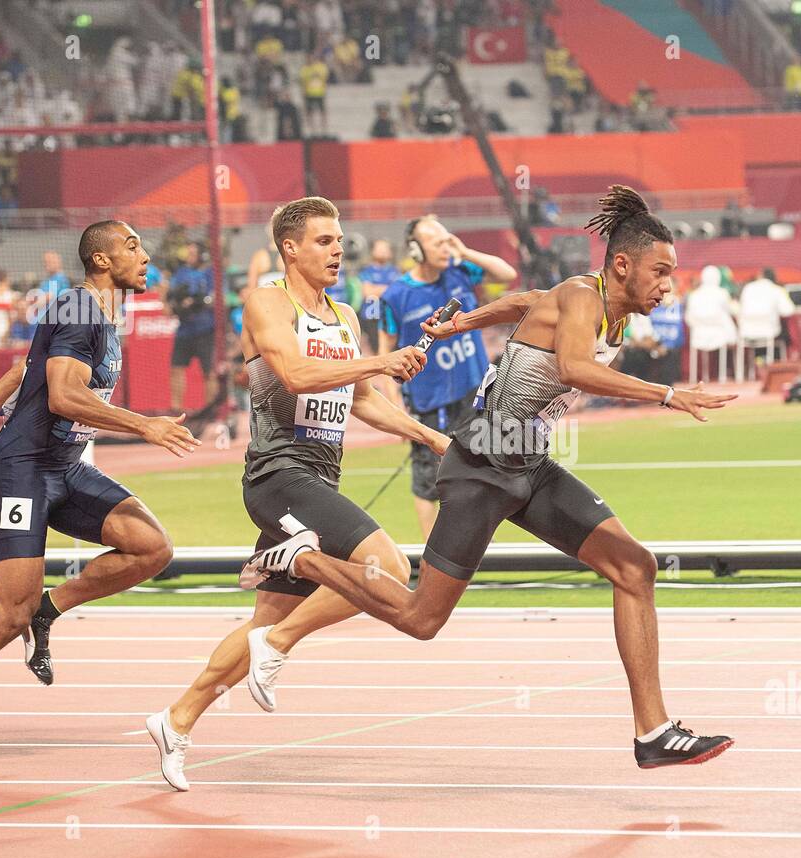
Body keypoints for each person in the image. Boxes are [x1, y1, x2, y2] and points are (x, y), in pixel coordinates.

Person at [243, 186, 739, 769]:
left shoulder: (598, 305)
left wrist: (465, 323)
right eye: (661, 272)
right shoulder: (585, 297)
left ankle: (652, 733)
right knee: (419, 618)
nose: (667, 285)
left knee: (635, 566)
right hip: (482, 465)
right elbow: (576, 366)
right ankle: (300, 560)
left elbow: (527, 299)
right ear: (622, 265)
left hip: (526, 461)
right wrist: (668, 393)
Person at [0, 222, 200, 766]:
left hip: (63, 467)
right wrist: (143, 425)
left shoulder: (101, 315)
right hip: (21, 471)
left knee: (151, 547)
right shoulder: (79, 309)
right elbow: (65, 395)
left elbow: (18, 369)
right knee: (9, 615)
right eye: (132, 247)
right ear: (100, 259)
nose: (146, 256)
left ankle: (50, 610)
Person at [147, 197, 436, 791]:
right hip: (277, 476)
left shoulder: (345, 316)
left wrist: (431, 437)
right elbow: (298, 374)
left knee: (261, 622)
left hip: (318, 482)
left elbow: (361, 401)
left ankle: (175, 720)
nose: (339, 250)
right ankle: (284, 619)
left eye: (340, 240)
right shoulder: (264, 303)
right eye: (326, 241)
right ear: (291, 248)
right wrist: (381, 361)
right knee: (387, 570)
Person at [377, 215, 518, 538]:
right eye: (436, 242)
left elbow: (506, 274)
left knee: (481, 471)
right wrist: (396, 407)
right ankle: (433, 554)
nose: (445, 246)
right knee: (429, 479)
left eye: (446, 239)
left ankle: (471, 543)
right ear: (415, 249)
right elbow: (387, 351)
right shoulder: (396, 296)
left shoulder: (460, 271)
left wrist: (464, 251)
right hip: (431, 402)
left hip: (477, 393)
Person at [167, 242, 219, 415]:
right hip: (184, 329)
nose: (189, 256)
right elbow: (171, 296)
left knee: (209, 371)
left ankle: (210, 410)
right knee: (176, 368)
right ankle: (176, 410)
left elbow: (216, 298)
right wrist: (177, 304)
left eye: (192, 253)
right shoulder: (181, 273)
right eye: (188, 253)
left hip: (205, 329)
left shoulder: (210, 272)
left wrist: (197, 301)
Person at [737, 268, 794, 376]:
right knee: (784, 334)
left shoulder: (748, 288)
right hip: (769, 333)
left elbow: (740, 309)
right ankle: (778, 371)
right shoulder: (777, 289)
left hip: (746, 332)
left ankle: (755, 368)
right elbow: (788, 311)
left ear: (760, 276)